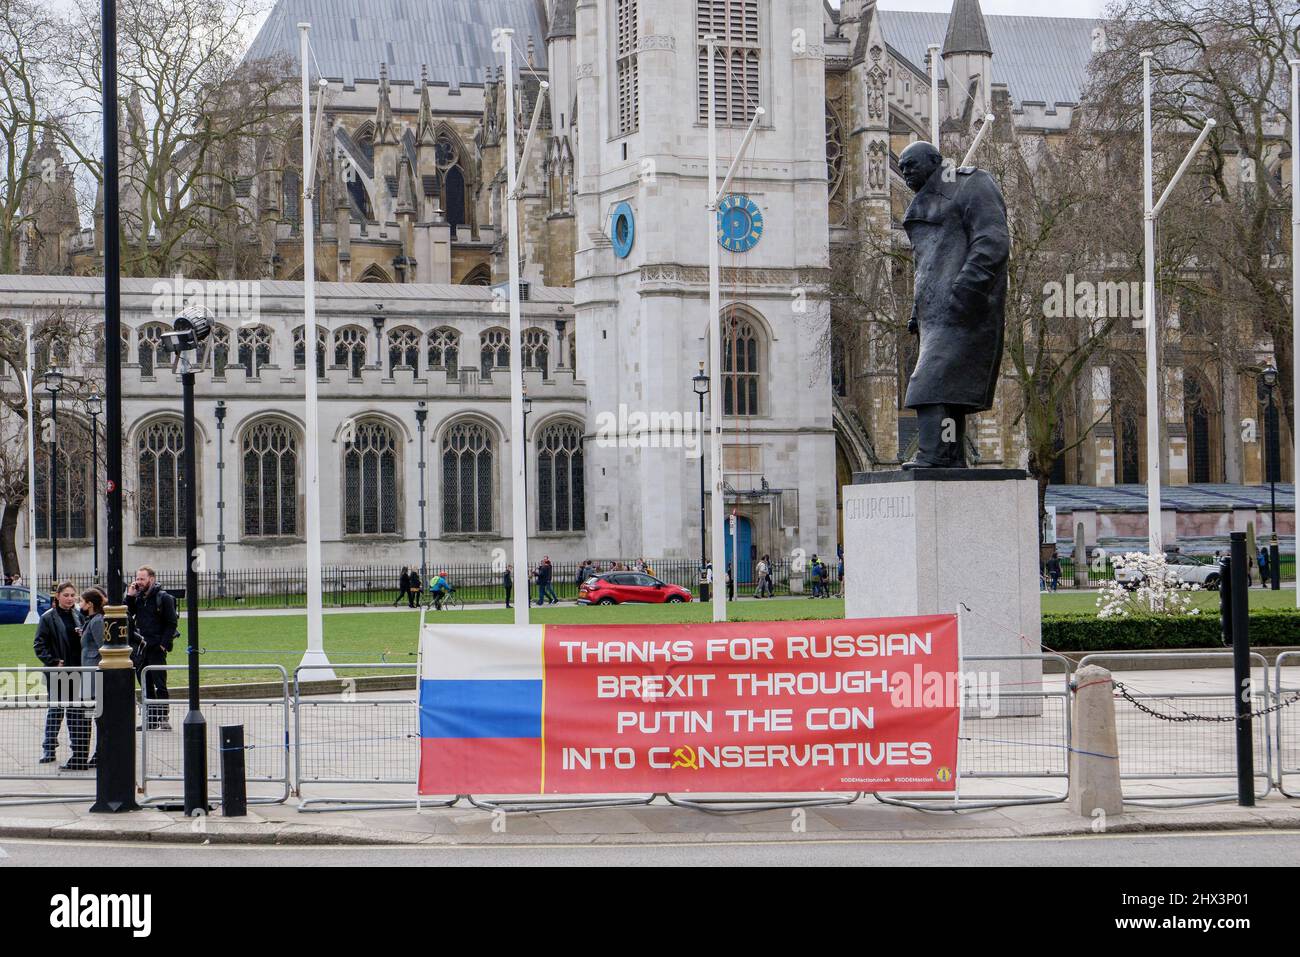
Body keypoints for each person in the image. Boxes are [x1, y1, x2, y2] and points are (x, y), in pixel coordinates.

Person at [897, 141, 1010, 469]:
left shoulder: (971, 184)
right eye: (901, 168)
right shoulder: (925, 201)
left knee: (930, 382)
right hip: (935, 313)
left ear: (935, 161)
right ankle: (949, 457)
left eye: (911, 165)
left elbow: (993, 240)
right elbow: (926, 264)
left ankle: (933, 456)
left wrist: (966, 289)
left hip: (965, 309)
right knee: (949, 390)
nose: (904, 173)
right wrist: (916, 312)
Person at [33, 582, 91, 769]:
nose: (70, 598)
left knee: (77, 713)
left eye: (73, 595)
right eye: (66, 595)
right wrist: (53, 661)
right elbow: (39, 644)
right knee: (56, 711)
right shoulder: (48, 618)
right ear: (57, 596)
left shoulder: (78, 615)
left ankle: (78, 750)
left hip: (79, 669)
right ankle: (49, 748)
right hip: (60, 670)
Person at [126, 565, 178, 732]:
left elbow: (171, 623)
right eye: (137, 578)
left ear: (151, 579)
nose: (138, 582)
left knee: (159, 684)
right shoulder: (138, 598)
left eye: (142, 579)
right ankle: (151, 719)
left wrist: (163, 644)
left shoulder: (164, 598)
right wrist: (129, 596)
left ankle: (163, 717)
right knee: (145, 684)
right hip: (141, 648)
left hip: (157, 647)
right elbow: (126, 615)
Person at [77, 588, 106, 769]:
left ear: (90, 604)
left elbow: (102, 645)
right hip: (88, 675)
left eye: (82, 601)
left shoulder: (96, 621)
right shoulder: (91, 621)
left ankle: (100, 752)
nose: (79, 604)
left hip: (94, 675)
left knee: (96, 716)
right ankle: (97, 752)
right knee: (90, 715)